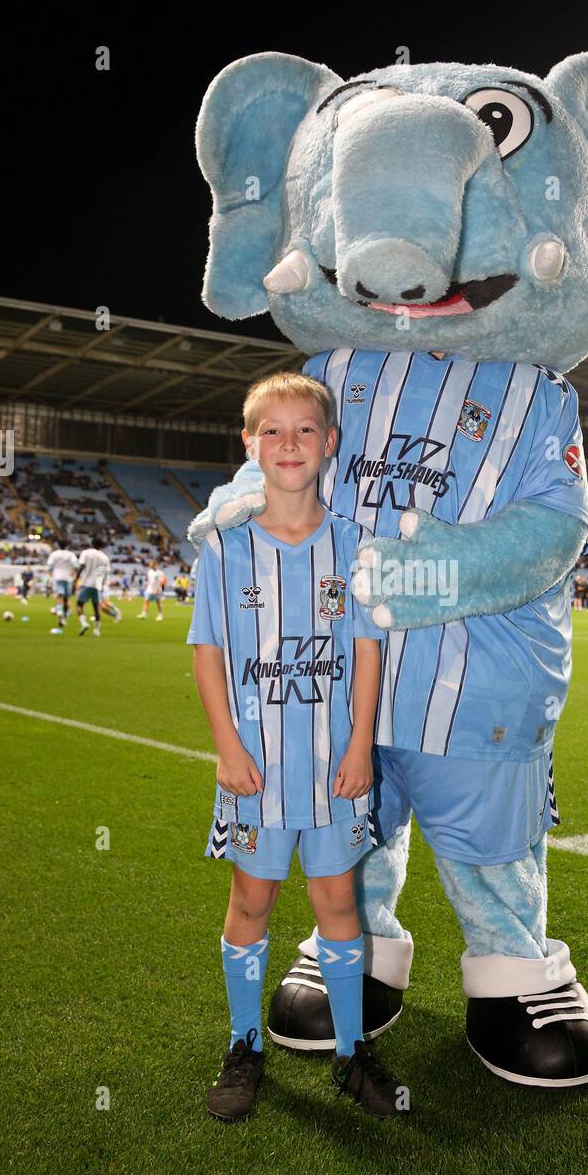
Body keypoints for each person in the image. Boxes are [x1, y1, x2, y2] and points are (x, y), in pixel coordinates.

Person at [188, 372, 407, 1122]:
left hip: (331, 767)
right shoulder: (221, 550)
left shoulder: (355, 545)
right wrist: (223, 746)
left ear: (329, 444)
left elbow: (369, 654)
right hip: (254, 767)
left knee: (338, 898)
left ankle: (350, 1053)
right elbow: (208, 653)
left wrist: (359, 748)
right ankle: (244, 1042)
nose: (289, 443)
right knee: (251, 897)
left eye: (304, 429)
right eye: (271, 431)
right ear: (249, 445)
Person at [74, 537, 110, 636]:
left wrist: (76, 580)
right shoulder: (104, 557)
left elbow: (81, 567)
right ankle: (96, 630)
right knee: (96, 608)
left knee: (79, 605)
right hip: (97, 585)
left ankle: (84, 623)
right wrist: (103, 585)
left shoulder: (86, 553)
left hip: (86, 583)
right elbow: (105, 572)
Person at [46, 538, 79, 632]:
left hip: (57, 577)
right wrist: (74, 574)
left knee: (59, 595)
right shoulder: (71, 554)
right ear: (67, 546)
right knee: (66, 598)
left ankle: (59, 610)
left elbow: (49, 566)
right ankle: (64, 616)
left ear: (58, 545)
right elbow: (76, 565)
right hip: (68, 577)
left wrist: (51, 576)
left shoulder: (54, 554)